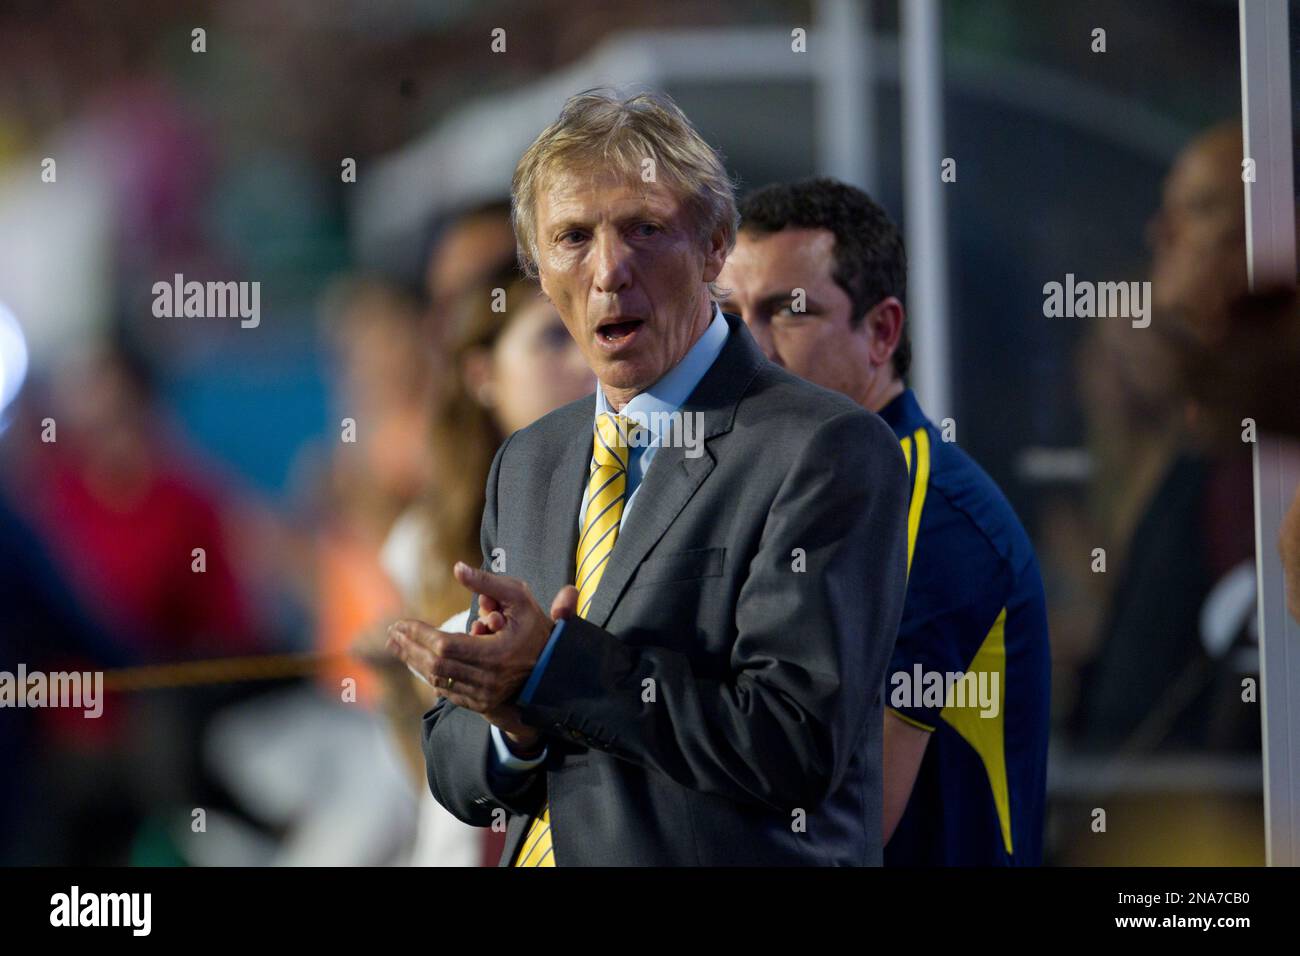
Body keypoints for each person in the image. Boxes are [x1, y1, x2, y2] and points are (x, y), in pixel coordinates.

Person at [386, 90, 910, 866]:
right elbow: (459, 774)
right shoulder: (529, 460)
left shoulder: (825, 448)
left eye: (645, 229)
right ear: (539, 271)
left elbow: (794, 743)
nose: (609, 270)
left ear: (714, 248)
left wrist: (556, 669)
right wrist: (511, 723)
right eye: (572, 237)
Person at [717, 177, 1051, 865]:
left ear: (881, 331)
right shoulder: (785, 488)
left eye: (789, 311)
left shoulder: (929, 512)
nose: (749, 348)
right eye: (730, 316)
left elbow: (846, 822)